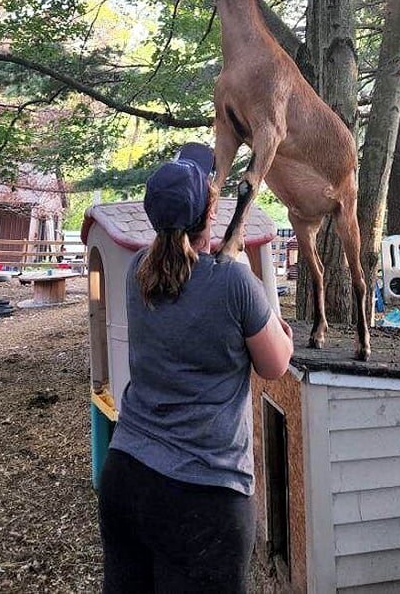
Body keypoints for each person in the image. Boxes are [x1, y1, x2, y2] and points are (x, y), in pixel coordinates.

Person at [98, 142, 294, 594]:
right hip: (203, 497)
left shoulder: (137, 272)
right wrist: (271, 320)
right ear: (211, 215)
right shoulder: (233, 282)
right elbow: (275, 364)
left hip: (127, 475)